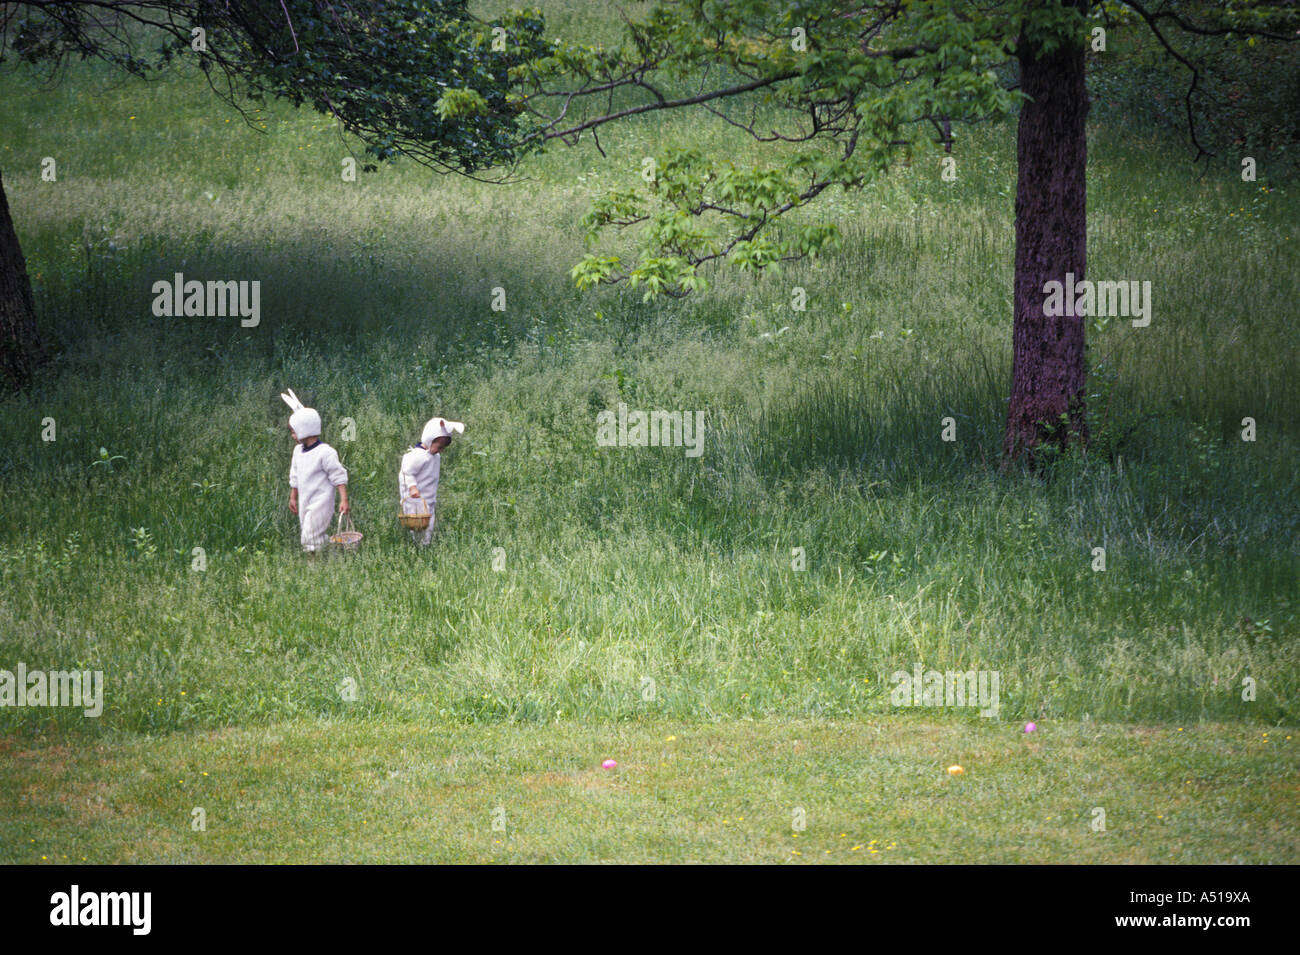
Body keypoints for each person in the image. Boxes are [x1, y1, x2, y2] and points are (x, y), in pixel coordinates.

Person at [282, 388, 349, 552]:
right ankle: (327, 550)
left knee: (309, 535)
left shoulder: (325, 452)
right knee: (308, 530)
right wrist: (293, 497)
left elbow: (338, 476)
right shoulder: (298, 452)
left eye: (294, 432)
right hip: (305, 499)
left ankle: (313, 564)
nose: (293, 436)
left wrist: (343, 499)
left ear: (305, 429)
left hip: (321, 501)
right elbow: (295, 475)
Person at [399, 416, 464, 545]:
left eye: (442, 448)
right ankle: (416, 546)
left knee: (428, 524)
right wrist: (412, 487)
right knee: (417, 524)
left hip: (429, 498)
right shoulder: (416, 456)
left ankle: (425, 545)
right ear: (429, 440)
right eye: (439, 447)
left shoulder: (435, 456)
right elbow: (407, 472)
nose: (441, 451)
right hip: (415, 499)